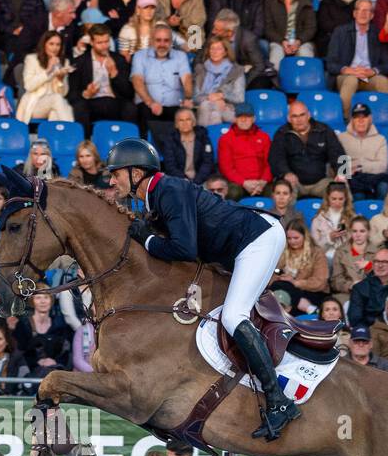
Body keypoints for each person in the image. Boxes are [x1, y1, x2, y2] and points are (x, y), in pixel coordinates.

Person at [108, 137, 296, 438]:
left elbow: (184, 248)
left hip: (257, 239)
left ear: (136, 172)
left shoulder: (166, 190)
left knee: (234, 316)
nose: (112, 179)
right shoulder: (155, 197)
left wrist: (147, 240)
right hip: (241, 244)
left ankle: (278, 401)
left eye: (116, 172)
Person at [327, 0, 388, 120]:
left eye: (367, 11)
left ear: (372, 15)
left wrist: (373, 71)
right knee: (352, 80)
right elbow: (330, 63)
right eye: (360, 10)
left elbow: (387, 64)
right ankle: (346, 120)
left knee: (382, 81)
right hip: (347, 76)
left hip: (368, 77)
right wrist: (347, 70)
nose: (363, 13)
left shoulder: (378, 33)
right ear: (354, 13)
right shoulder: (340, 32)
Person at [268, 100, 346, 200]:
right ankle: (285, 216)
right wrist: (286, 173)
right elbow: (276, 158)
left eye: (302, 115)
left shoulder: (324, 130)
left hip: (321, 182)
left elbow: (340, 153)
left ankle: (349, 215)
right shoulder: (282, 133)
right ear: (288, 118)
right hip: (294, 183)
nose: (299, 119)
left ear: (309, 115)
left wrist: (343, 174)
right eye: (294, 116)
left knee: (342, 189)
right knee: (282, 191)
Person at [69, 24, 137, 132]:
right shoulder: (80, 62)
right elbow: (71, 94)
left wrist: (115, 74)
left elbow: (129, 93)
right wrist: (86, 94)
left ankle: (128, 145)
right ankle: (85, 145)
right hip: (92, 103)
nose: (104, 46)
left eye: (106, 41)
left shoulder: (119, 60)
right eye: (99, 43)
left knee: (130, 108)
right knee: (79, 107)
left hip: (114, 102)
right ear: (91, 42)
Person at [130, 22, 193, 136]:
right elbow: (137, 81)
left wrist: (188, 97)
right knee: (142, 113)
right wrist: (151, 103)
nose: (162, 44)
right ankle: (146, 152)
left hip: (174, 106)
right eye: (158, 40)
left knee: (185, 116)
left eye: (166, 40)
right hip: (147, 105)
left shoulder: (180, 56)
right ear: (152, 41)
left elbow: (187, 78)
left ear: (171, 41)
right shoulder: (139, 56)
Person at [270, 221, 329, 314]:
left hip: (310, 292)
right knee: (280, 285)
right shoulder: (282, 251)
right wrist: (281, 278)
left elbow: (319, 282)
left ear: (305, 236)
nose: (292, 241)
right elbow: (271, 276)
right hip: (284, 291)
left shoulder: (317, 253)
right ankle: (306, 306)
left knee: (283, 288)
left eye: (296, 238)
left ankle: (282, 311)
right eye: (289, 238)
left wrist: (295, 282)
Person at [348, 248, 388, 330]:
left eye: (385, 262)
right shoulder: (360, 288)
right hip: (369, 333)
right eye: (376, 261)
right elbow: (355, 319)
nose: (380, 265)